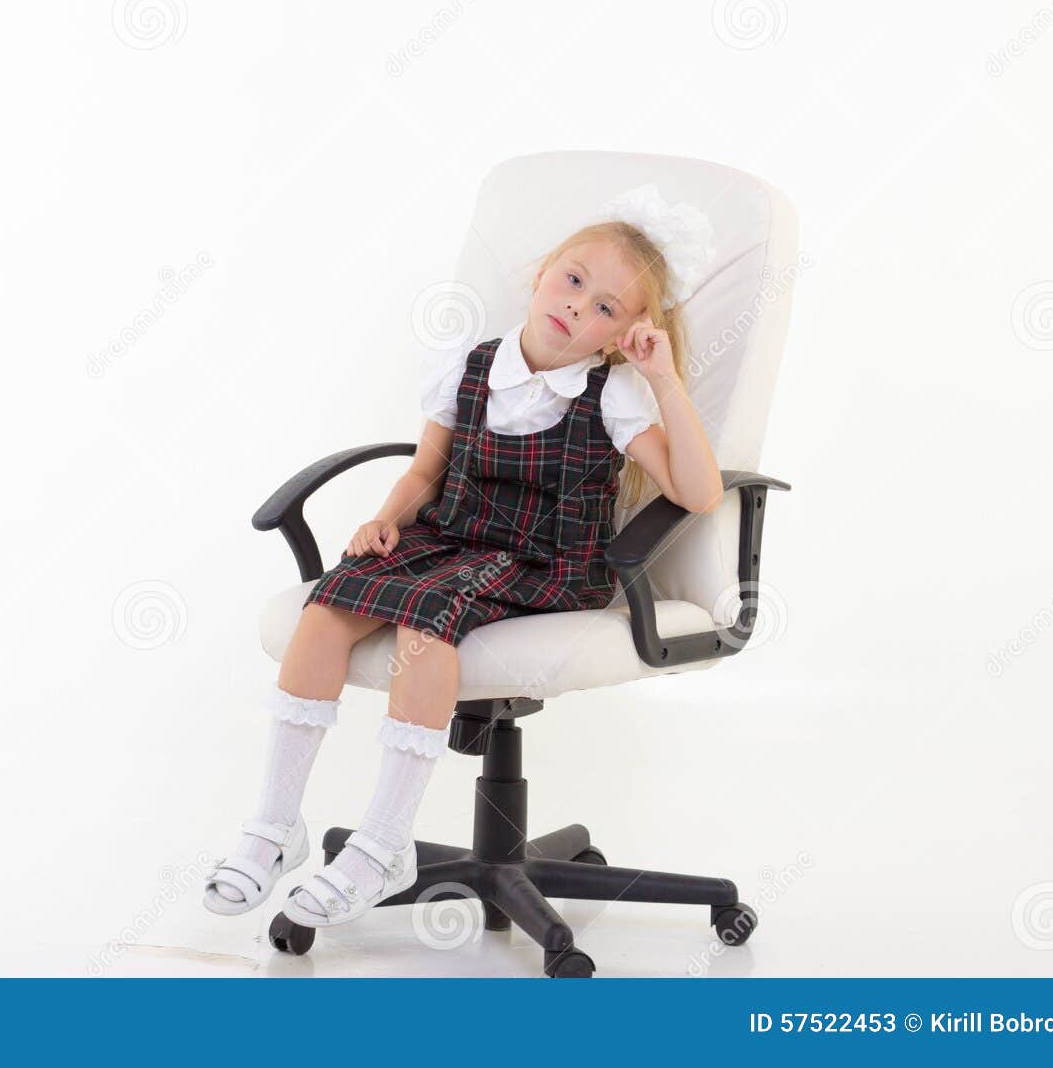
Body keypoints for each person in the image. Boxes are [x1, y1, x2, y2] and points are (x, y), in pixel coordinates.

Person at [203, 184, 727, 929]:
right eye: (574, 278)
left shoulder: (613, 395)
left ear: (621, 336)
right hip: (450, 538)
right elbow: (424, 473)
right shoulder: (469, 366)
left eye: (606, 307)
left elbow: (699, 491)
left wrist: (664, 378)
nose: (578, 305)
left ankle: (386, 842)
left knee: (426, 623)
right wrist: (385, 521)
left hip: (545, 561)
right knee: (327, 606)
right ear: (544, 269)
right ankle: (274, 826)